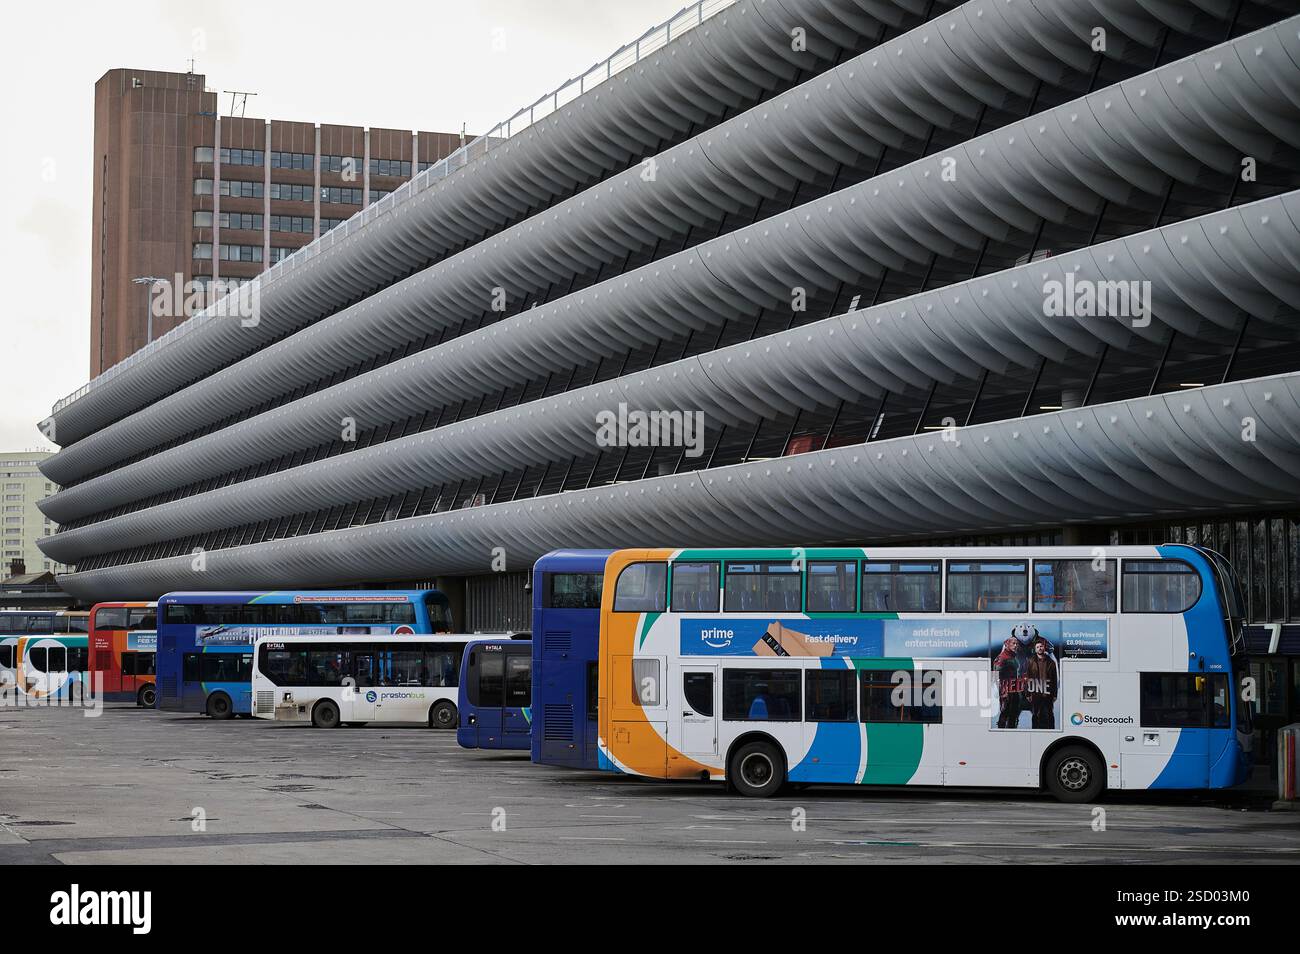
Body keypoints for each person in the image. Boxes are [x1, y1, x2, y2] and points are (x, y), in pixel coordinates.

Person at [1024, 636, 1058, 729]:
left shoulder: (1051, 662)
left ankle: (1052, 732)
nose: (1040, 648)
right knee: (1035, 714)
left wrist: (1055, 694)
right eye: (1038, 647)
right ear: (1035, 650)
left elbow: (1054, 679)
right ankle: (1035, 731)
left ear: (1044, 648)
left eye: (1041, 646)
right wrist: (1027, 694)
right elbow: (1027, 678)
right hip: (1035, 692)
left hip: (1048, 692)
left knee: (1050, 714)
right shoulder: (1031, 661)